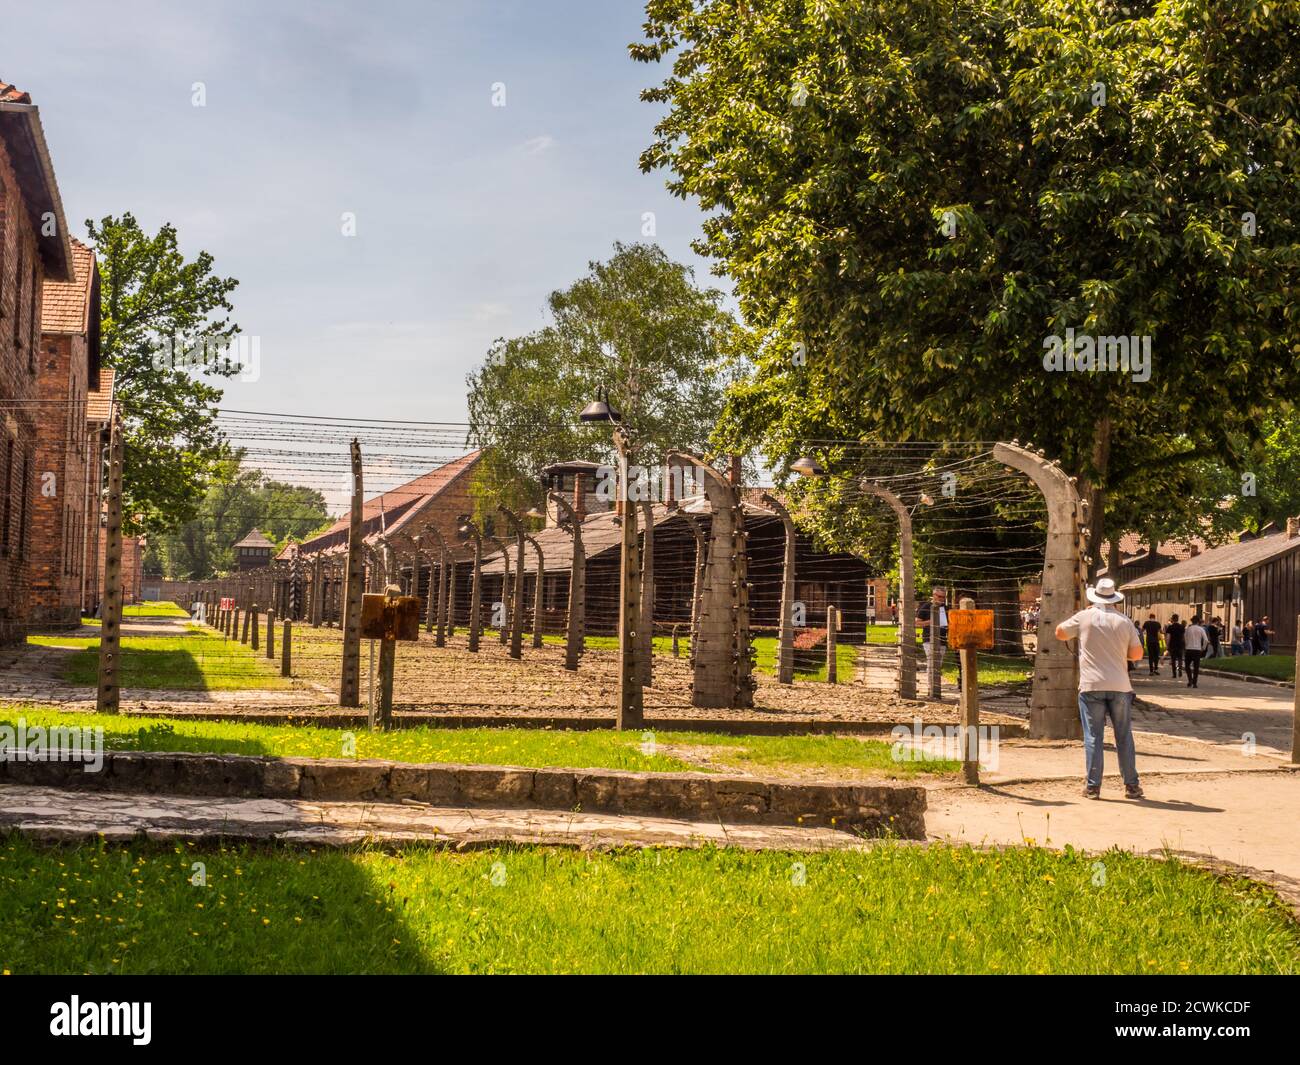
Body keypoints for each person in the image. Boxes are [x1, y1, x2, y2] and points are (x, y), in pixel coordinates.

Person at [1055, 577, 1145, 800]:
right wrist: (1117, 652)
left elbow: (1059, 632)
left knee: (1093, 736)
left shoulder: (1084, 617)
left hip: (1091, 685)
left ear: (1094, 597)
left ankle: (1093, 786)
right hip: (1120, 685)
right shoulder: (1125, 621)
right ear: (1114, 598)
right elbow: (1137, 654)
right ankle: (1131, 785)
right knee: (1124, 735)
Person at [917, 587, 948, 690]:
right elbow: (916, 623)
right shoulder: (926, 606)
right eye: (939, 596)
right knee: (931, 663)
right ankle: (932, 687)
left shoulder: (946, 608)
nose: (941, 599)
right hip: (928, 640)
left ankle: (936, 685)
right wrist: (932, 621)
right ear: (933, 595)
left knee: (938, 664)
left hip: (942, 640)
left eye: (943, 597)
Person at [1183, 615, 1208, 689]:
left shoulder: (1188, 629)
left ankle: (1190, 680)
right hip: (1197, 649)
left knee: (1187, 666)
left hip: (1189, 649)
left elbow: (1185, 638)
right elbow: (1206, 640)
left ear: (1192, 621)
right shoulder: (1201, 629)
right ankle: (1195, 683)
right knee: (1196, 667)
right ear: (1198, 622)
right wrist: (1203, 648)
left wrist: (1186, 645)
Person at [1164, 613, 1186, 679]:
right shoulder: (1181, 627)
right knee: (1180, 658)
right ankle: (1179, 668)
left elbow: (1168, 637)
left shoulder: (1170, 627)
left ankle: (1174, 673)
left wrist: (1167, 645)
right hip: (1180, 644)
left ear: (1172, 619)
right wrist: (1184, 644)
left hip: (1172, 645)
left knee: (1173, 659)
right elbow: (1183, 636)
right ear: (1178, 619)